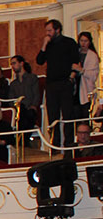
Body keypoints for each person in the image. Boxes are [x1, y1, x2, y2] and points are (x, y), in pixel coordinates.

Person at [36, 18, 80, 148]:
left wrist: (71, 78)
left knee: (67, 115)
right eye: (46, 31)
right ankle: (55, 144)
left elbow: (75, 62)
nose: (47, 33)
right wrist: (44, 45)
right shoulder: (48, 45)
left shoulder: (69, 43)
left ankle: (68, 144)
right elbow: (39, 61)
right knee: (53, 115)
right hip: (51, 84)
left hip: (65, 82)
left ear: (57, 30)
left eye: (50, 30)